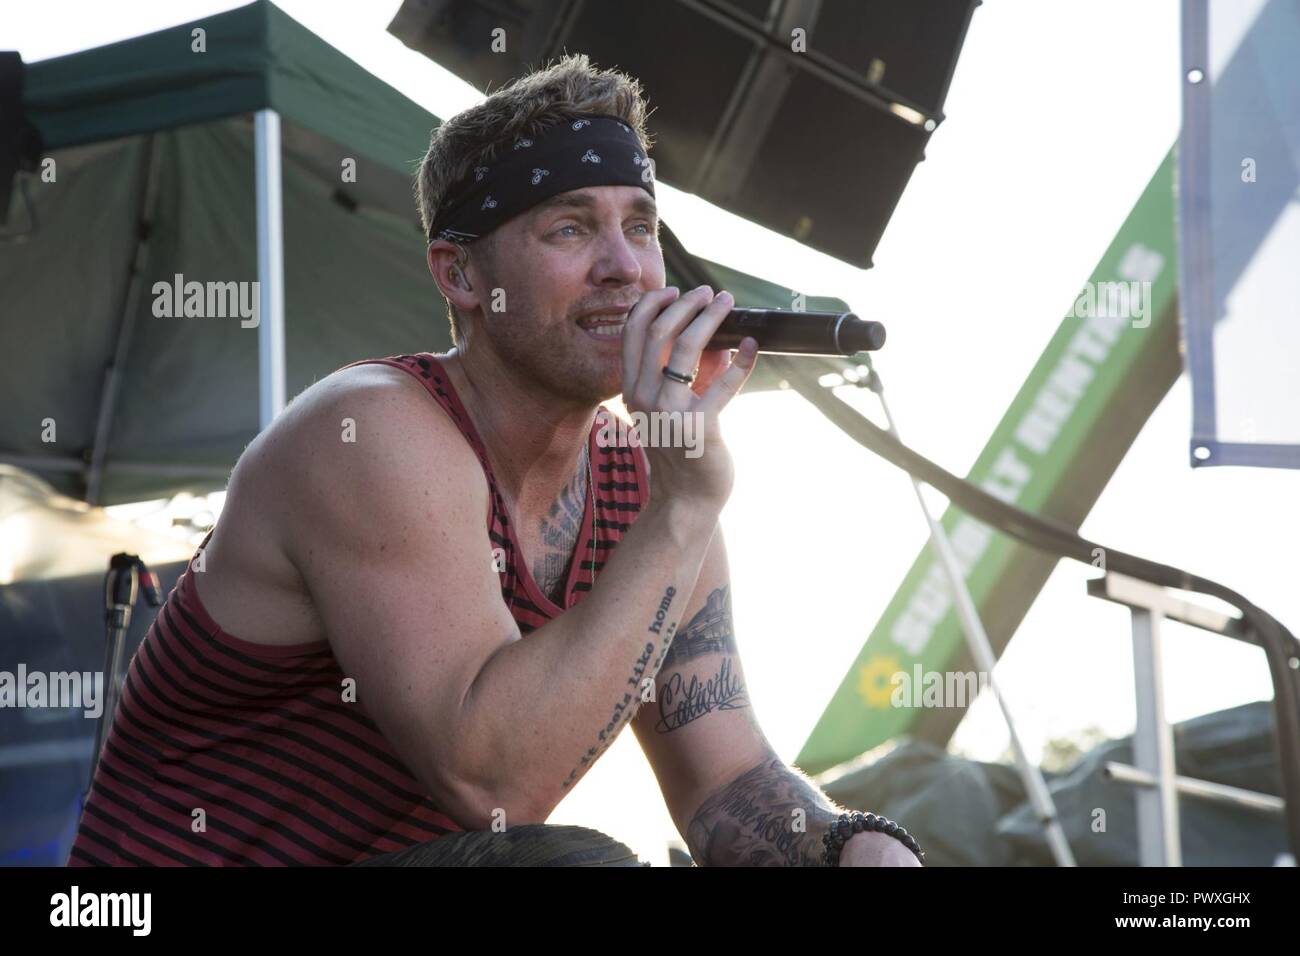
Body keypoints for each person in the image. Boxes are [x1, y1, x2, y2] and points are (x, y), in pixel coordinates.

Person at [69, 54, 922, 867]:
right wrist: (686, 509)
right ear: (461, 275)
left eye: (640, 226)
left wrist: (850, 841)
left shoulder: (642, 479)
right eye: (571, 228)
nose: (624, 267)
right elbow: (491, 781)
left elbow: (726, 782)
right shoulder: (371, 431)